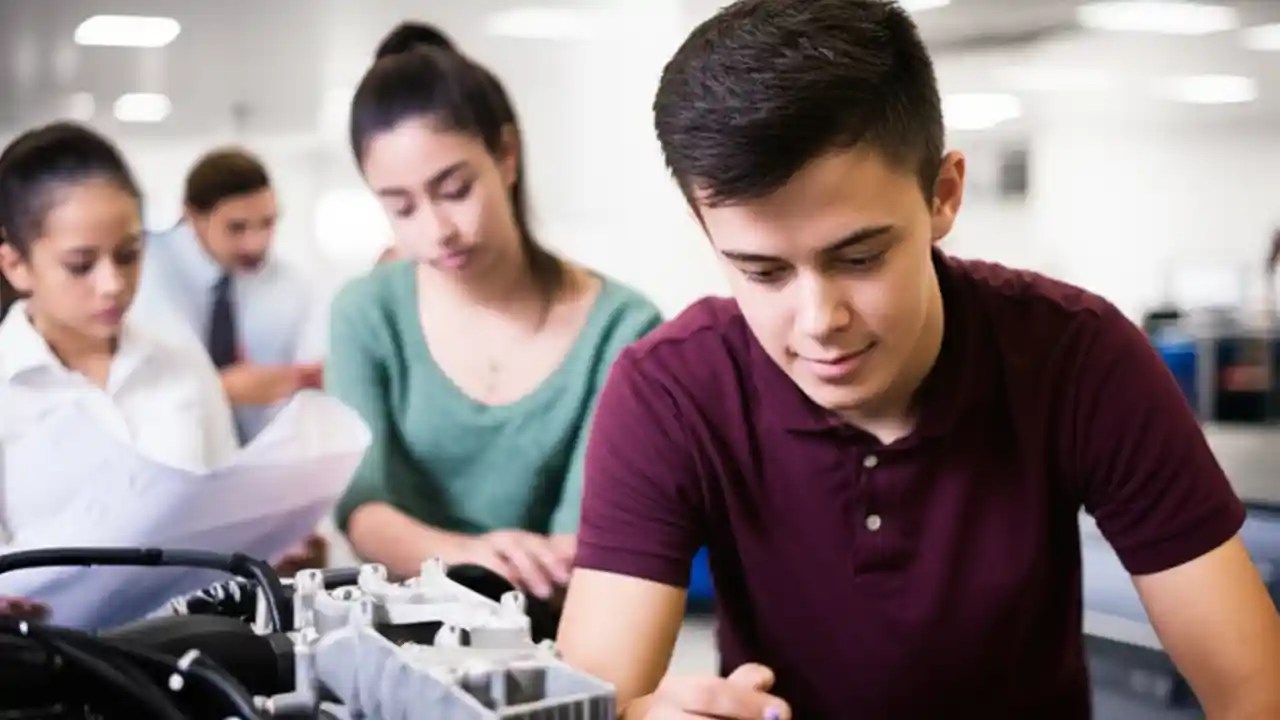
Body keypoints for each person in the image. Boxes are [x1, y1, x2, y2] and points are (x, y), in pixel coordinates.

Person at [556, 2, 1280, 718]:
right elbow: (594, 699)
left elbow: (1257, 690)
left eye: (861, 257)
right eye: (762, 273)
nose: (820, 324)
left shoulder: (1080, 357)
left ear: (943, 194)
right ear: (704, 227)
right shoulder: (670, 391)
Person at [326, 22, 662, 618]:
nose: (436, 230)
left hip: (556, 640)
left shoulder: (622, 328)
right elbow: (362, 506)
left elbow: (591, 536)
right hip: (392, 636)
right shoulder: (366, 313)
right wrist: (466, 557)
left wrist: (499, 569)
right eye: (400, 207)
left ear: (506, 155)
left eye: (454, 189)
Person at [0, 123, 239, 616]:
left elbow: (231, 509)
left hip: (192, 657)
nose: (113, 284)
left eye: (129, 255)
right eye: (81, 264)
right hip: (48, 667)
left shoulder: (181, 360)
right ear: (16, 264)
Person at [130, 147, 323, 445]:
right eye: (237, 228)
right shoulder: (141, 272)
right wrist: (222, 389)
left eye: (268, 223)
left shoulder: (289, 285)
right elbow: (141, 386)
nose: (256, 243)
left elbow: (310, 377)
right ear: (191, 215)